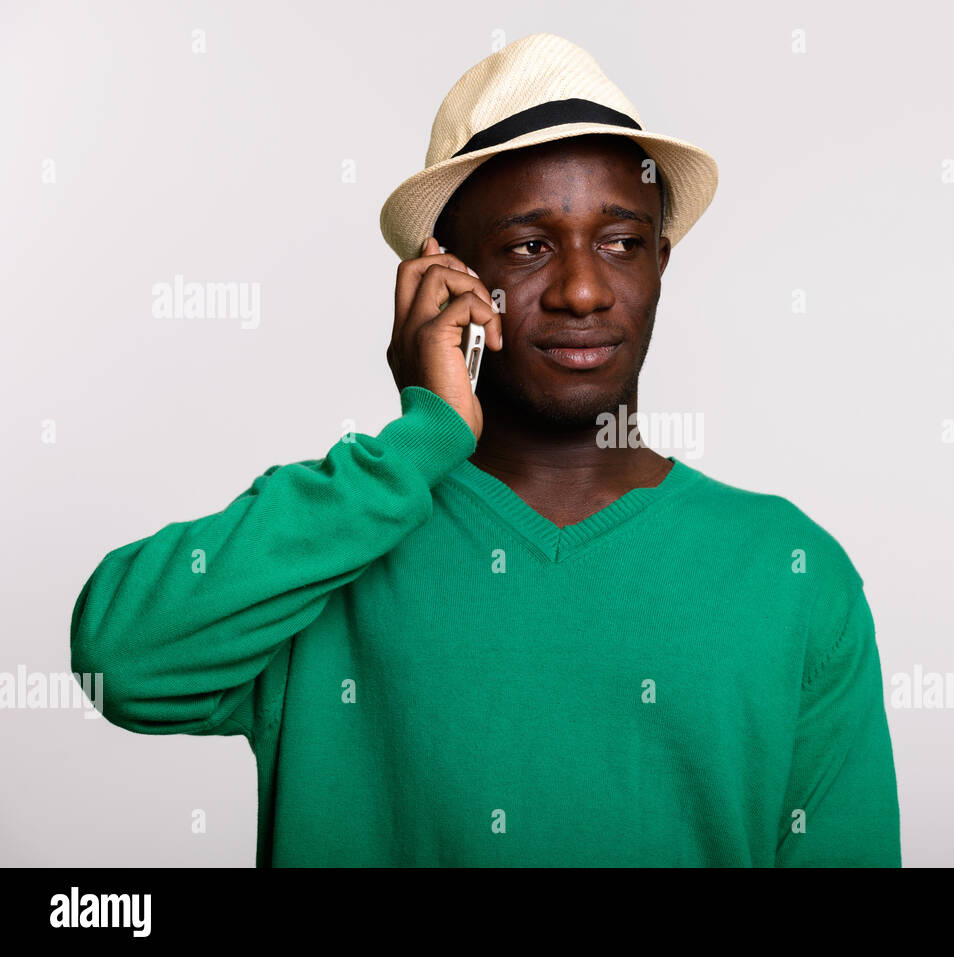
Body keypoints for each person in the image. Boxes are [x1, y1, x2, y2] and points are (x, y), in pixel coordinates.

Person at [69, 32, 901, 867]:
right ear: (446, 274)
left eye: (620, 242)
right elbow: (121, 659)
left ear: (660, 263)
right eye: (529, 246)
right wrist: (417, 441)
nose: (582, 288)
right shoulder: (332, 548)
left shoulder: (790, 570)